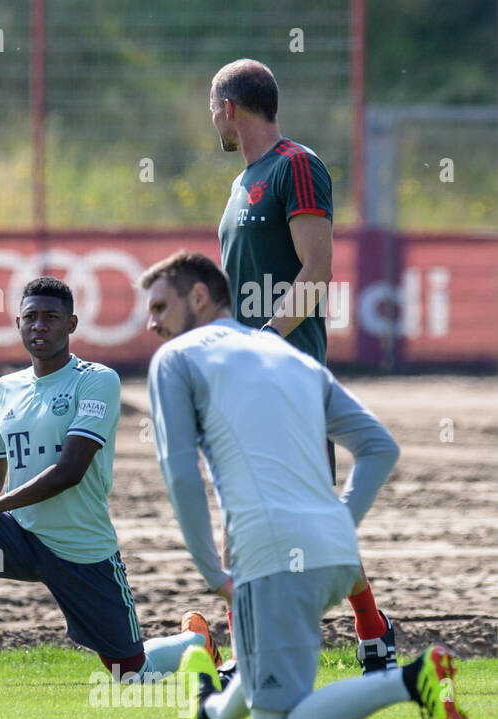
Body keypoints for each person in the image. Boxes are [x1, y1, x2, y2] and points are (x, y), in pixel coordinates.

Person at [141, 250, 470, 719]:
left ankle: (412, 679)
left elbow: (181, 473)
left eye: (161, 307)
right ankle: (209, 712)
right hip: (335, 557)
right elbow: (380, 448)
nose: (151, 324)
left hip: (269, 556)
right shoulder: (290, 356)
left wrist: (211, 572)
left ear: (200, 297)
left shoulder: (176, 359)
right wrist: (343, 522)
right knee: (261, 662)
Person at [0, 276, 220, 689]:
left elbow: (70, 470)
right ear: (18, 325)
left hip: (81, 549)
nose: (39, 326)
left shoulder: (97, 380)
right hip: (19, 540)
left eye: (50, 317)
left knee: (130, 675)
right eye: (30, 317)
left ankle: (195, 641)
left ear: (72, 324)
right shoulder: (5, 388)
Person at [210, 58, 396, 673]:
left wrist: (265, 339)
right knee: (242, 511)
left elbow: (315, 271)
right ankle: (247, 651)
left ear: (229, 108)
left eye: (214, 110)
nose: (214, 121)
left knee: (315, 519)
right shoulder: (240, 185)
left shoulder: (297, 165)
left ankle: (371, 626)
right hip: (244, 375)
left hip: (289, 375)